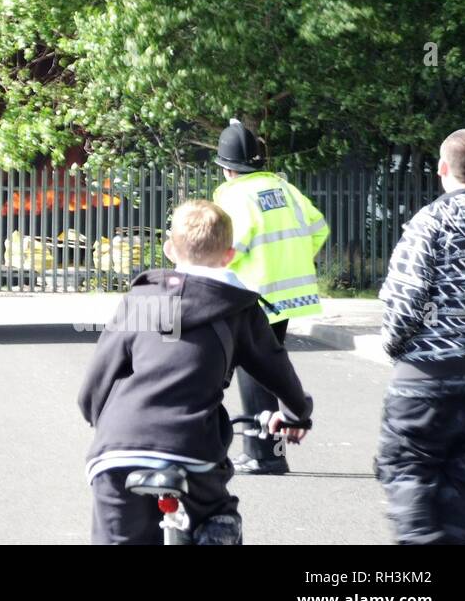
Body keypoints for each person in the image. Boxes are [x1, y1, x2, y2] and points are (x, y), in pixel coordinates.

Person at [79, 199, 313, 545]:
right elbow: (276, 369)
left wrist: (100, 420)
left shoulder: (142, 301)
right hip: (192, 448)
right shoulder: (237, 309)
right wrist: (296, 414)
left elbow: (98, 378)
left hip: (118, 452)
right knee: (219, 516)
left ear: (170, 249)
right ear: (230, 255)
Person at [375, 128, 465, 545]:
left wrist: (395, 348)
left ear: (442, 168)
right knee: (462, 473)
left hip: (427, 375)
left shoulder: (432, 220)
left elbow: (407, 299)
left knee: (408, 469)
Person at [212, 118, 328, 474]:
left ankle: (264, 455)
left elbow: (228, 248)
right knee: (269, 366)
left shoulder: (233, 196)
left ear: (227, 168)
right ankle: (270, 452)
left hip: (253, 293)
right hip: (287, 293)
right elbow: (318, 228)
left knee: (253, 370)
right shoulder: (284, 187)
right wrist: (290, 261)